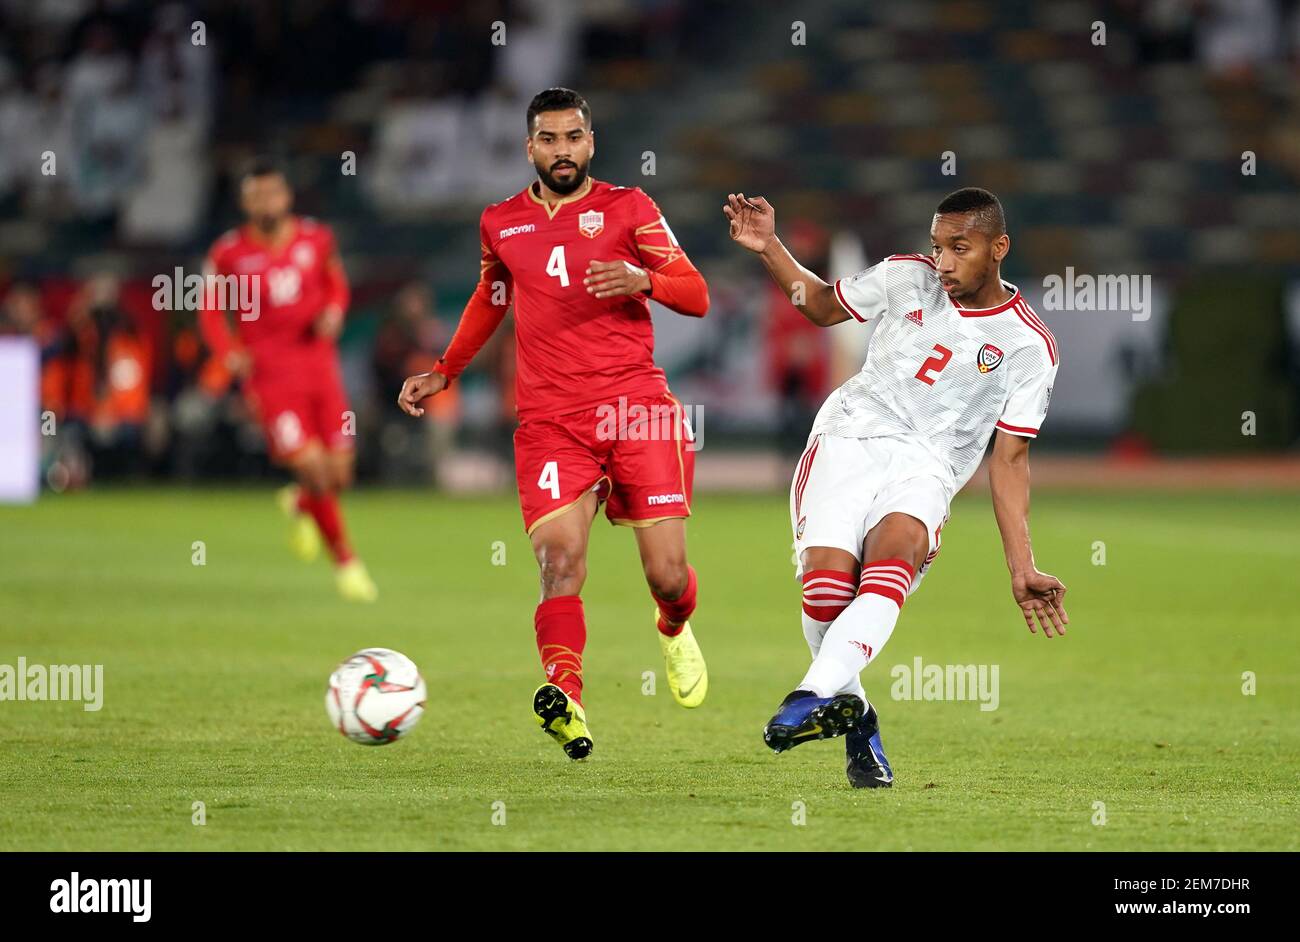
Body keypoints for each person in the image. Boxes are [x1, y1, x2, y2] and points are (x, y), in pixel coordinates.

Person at [399, 88, 710, 760]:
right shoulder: (501, 222)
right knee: (559, 559)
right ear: (529, 146)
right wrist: (445, 369)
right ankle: (566, 697)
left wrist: (643, 281)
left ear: (590, 143)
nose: (561, 150)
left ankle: (674, 624)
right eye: (548, 138)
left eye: (573, 138)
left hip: (636, 410)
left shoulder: (631, 208)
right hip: (550, 421)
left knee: (666, 574)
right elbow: (491, 297)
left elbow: (697, 293)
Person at [724, 186, 1069, 788]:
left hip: (928, 467)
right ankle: (857, 718)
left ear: (999, 248)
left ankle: (807, 697)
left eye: (960, 248)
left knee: (895, 556)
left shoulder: (1028, 346)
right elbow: (824, 306)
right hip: (846, 441)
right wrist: (769, 247)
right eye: (938, 247)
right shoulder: (905, 277)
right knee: (828, 596)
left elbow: (1009, 461)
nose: (944, 262)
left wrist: (1022, 565)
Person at [199, 159, 377, 602]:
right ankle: (347, 563)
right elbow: (209, 309)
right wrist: (228, 354)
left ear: (286, 196)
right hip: (270, 377)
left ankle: (300, 503)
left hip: (320, 368)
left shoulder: (316, 239)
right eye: (256, 195)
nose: (266, 202)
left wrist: (334, 312)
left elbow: (336, 285)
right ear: (244, 202)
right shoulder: (228, 253)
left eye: (273, 193)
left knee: (339, 472)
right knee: (313, 468)